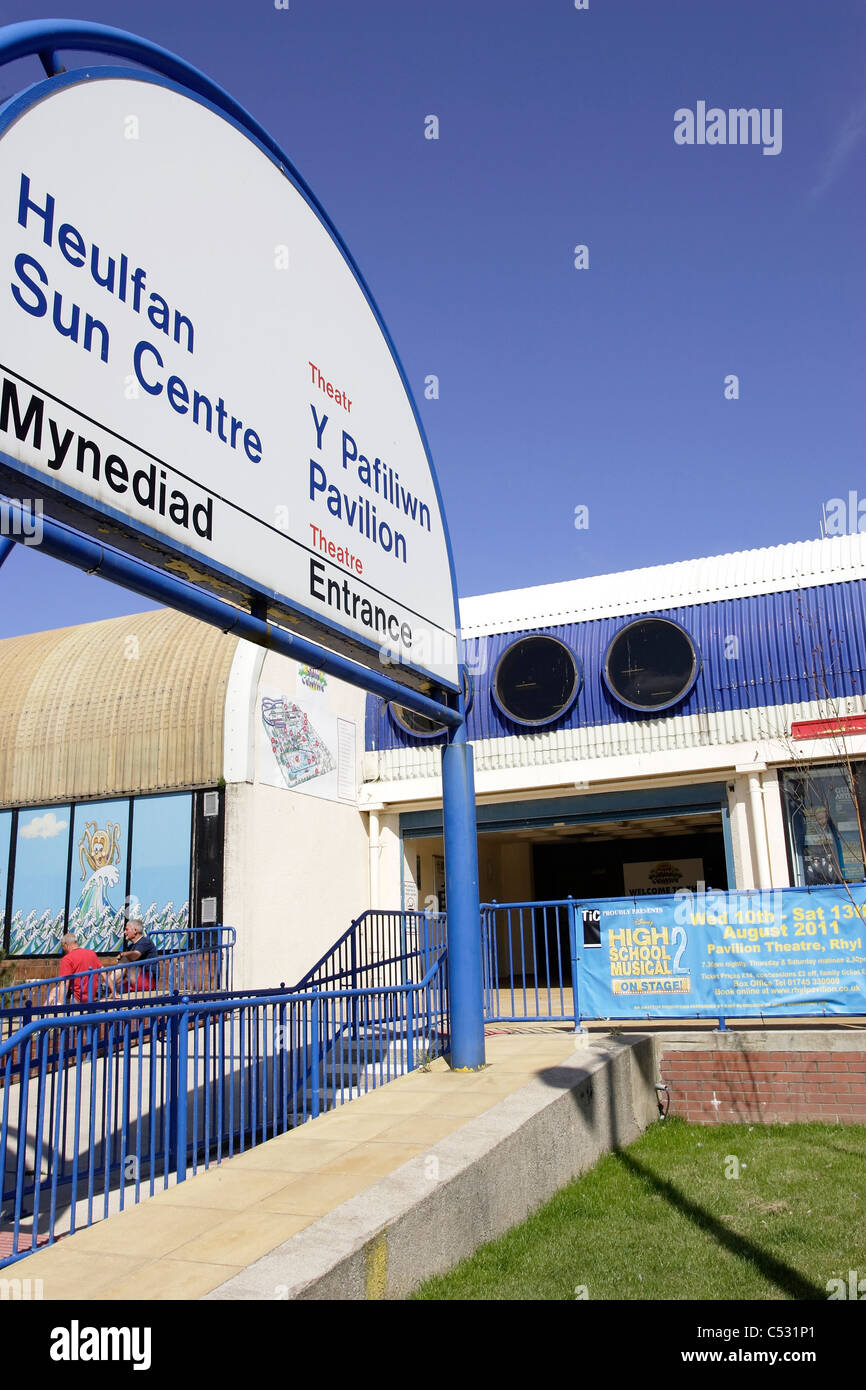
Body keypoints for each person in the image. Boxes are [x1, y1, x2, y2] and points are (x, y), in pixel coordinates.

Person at [48, 933, 102, 1005]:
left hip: (77, 999)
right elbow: (104, 972)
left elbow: (65, 983)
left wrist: (60, 1003)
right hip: (91, 997)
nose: (63, 949)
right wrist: (114, 992)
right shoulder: (92, 953)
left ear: (66, 944)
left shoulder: (67, 959)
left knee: (54, 992)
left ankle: (41, 1014)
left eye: (62, 946)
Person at [108, 919, 159, 994]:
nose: (124, 932)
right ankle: (106, 988)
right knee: (114, 989)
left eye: (126, 929)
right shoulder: (131, 947)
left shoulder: (145, 941)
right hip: (133, 980)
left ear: (135, 930)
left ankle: (105, 986)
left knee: (125, 960)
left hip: (147, 980)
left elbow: (135, 955)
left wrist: (123, 954)